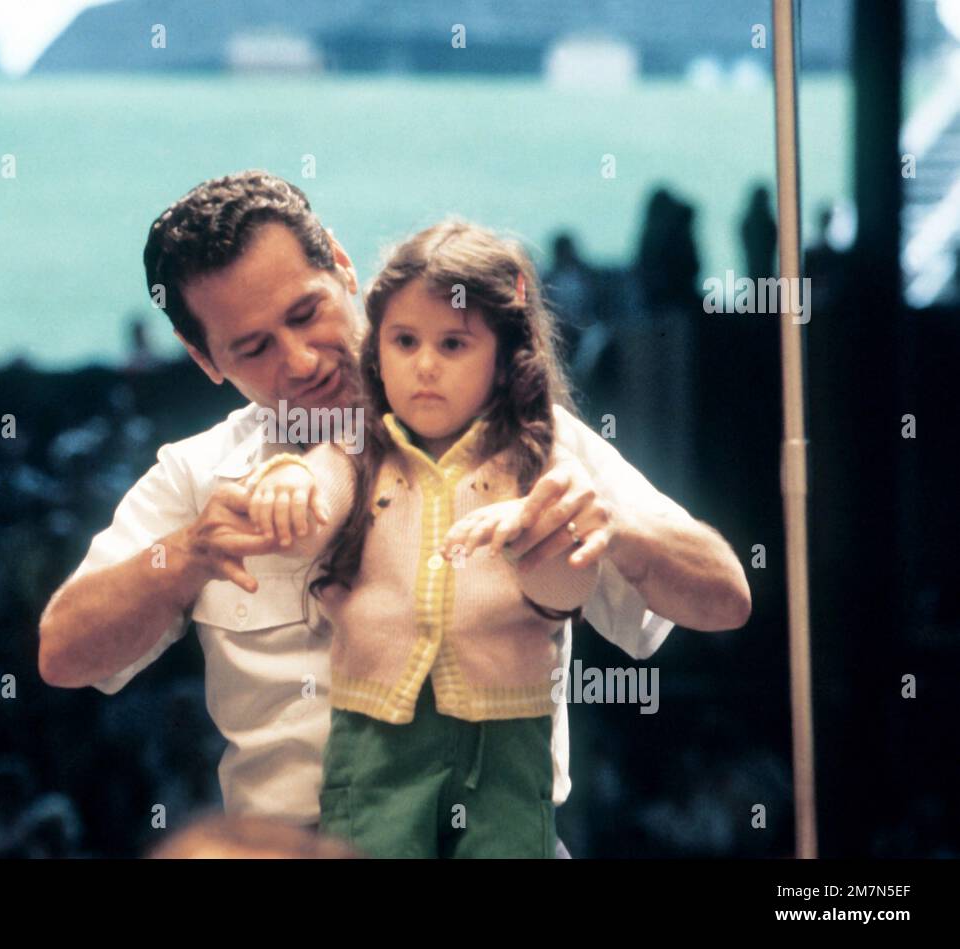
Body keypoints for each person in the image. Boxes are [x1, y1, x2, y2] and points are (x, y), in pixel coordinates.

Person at [37, 170, 751, 851]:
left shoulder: (524, 437)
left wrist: (620, 530)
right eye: (253, 347)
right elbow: (62, 652)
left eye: (306, 313)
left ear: (345, 269)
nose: (301, 360)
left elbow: (724, 596)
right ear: (204, 358)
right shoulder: (198, 476)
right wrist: (186, 555)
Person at [242, 219, 623, 856]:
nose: (424, 367)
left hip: (506, 735)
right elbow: (314, 497)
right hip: (376, 732)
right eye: (404, 341)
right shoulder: (358, 448)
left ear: (505, 357)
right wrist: (286, 483)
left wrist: (537, 533)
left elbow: (566, 591)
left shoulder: (539, 457)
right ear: (376, 351)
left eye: (453, 345)